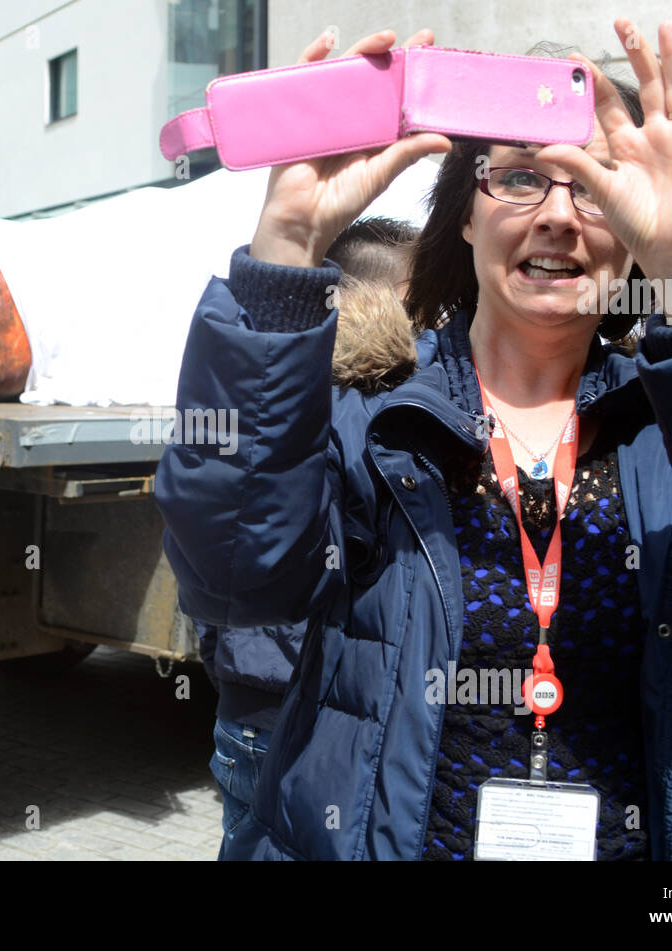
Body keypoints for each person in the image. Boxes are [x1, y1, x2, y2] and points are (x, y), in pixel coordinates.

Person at [158, 18, 672, 860]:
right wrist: (290, 244)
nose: (557, 214)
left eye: (593, 183)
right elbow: (232, 582)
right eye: (518, 178)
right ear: (467, 218)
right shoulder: (371, 413)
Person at [198, 219, 419, 858]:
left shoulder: (271, 393)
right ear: (390, 298)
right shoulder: (381, 409)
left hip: (244, 711)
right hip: (313, 717)